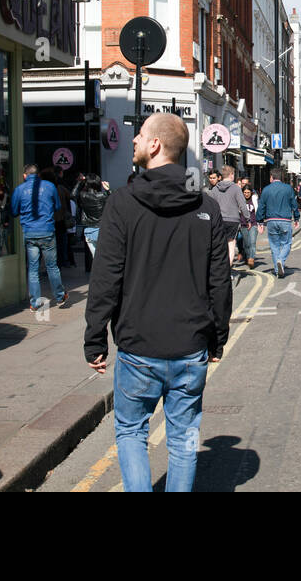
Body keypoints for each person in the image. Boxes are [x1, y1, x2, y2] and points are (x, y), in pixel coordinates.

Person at [85, 113, 231, 492]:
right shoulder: (206, 207)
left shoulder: (121, 204)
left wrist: (95, 338)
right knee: (183, 438)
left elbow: (105, 278)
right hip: (190, 346)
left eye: (140, 135)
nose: (132, 141)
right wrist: (218, 335)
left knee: (131, 431)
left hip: (138, 346)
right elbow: (219, 281)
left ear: (155, 145)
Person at [11, 164, 67, 310]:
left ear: (25, 175)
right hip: (47, 230)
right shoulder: (49, 186)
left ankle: (35, 302)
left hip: (30, 232)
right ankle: (60, 296)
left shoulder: (19, 190)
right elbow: (57, 206)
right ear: (38, 175)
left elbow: (14, 211)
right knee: (52, 266)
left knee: (33, 269)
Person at [256, 169, 300, 278]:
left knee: (274, 246)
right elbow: (294, 204)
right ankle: (281, 260)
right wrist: (297, 218)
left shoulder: (266, 190)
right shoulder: (288, 188)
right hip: (285, 220)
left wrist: (259, 221)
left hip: (271, 221)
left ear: (272, 177)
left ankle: (277, 270)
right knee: (287, 243)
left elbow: (261, 206)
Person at [205, 166, 246, 267]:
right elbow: (242, 205)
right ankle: (228, 271)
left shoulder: (215, 189)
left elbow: (210, 206)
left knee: (219, 246)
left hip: (219, 220)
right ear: (232, 175)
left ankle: (220, 269)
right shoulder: (236, 188)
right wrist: (247, 218)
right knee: (231, 245)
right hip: (233, 220)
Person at [76, 173, 109, 272]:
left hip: (90, 230)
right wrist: (108, 190)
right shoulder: (102, 196)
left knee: (96, 259)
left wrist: (79, 182)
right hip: (103, 230)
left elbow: (73, 194)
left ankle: (100, 279)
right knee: (106, 259)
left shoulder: (83, 195)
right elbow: (114, 202)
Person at [238, 186, 258, 269]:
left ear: (251, 193)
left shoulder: (254, 200)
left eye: (248, 192)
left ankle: (251, 259)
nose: (246, 194)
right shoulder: (239, 200)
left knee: (252, 242)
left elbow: (258, 210)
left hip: (253, 224)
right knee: (246, 244)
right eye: (245, 192)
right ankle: (247, 257)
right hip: (243, 224)